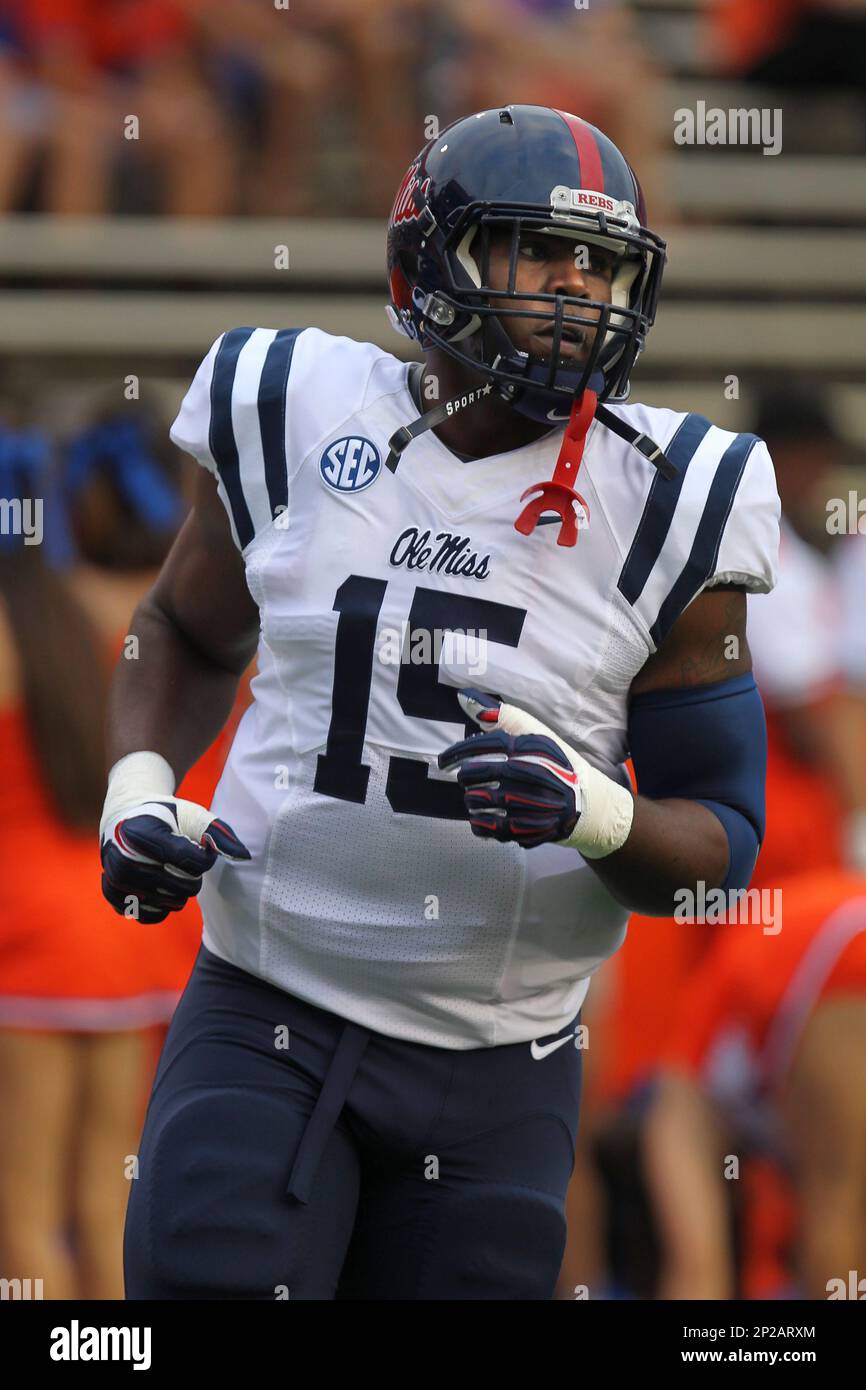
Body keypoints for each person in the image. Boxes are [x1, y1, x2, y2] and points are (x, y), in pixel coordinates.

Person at [102, 105, 780, 1300]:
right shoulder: (292, 404)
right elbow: (185, 631)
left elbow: (717, 847)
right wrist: (139, 789)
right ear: (432, 261)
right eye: (540, 251)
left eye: (603, 263)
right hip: (268, 1003)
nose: (580, 289)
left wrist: (594, 814)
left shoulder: (675, 494)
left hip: (496, 1065)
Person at [0, 405, 243, 1298]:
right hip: (135, 929)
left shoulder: (31, 619)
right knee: (110, 1201)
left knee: (21, 1215)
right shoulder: (145, 616)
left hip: (25, 946)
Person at [643, 869, 866, 1300]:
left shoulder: (685, 1096)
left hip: (823, 948)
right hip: (826, 936)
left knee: (837, 1202)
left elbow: (697, 1271)